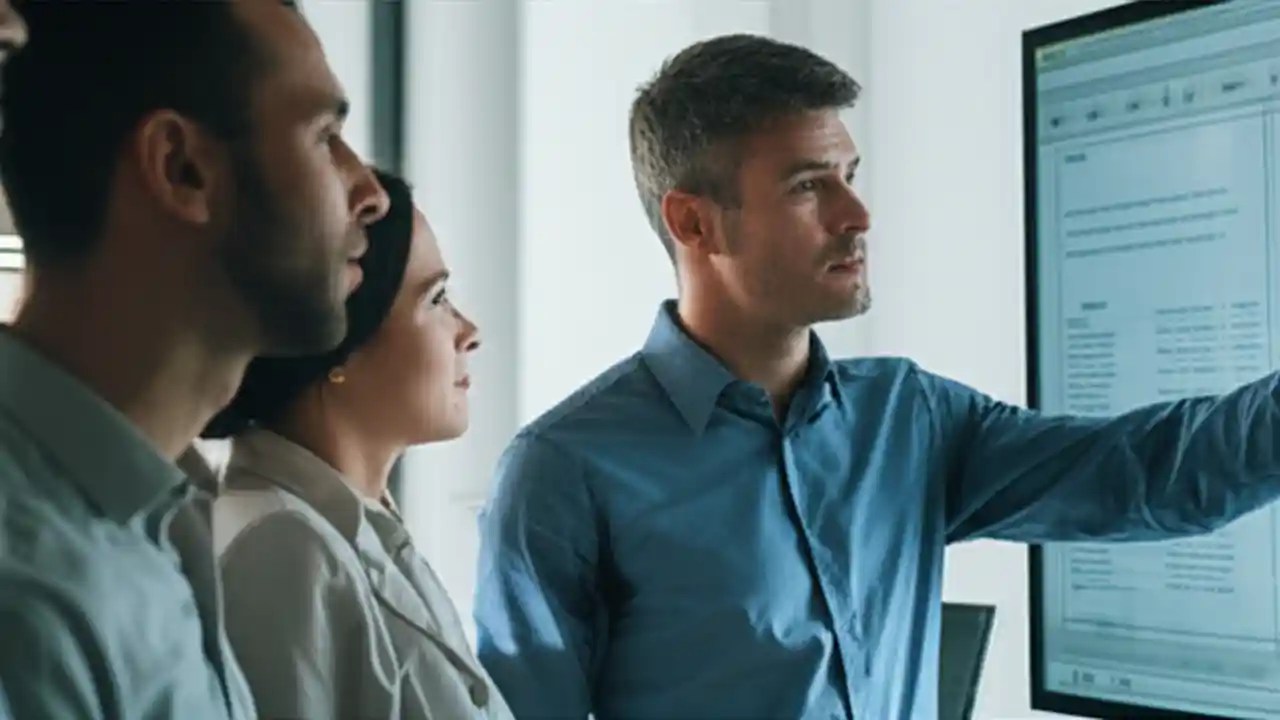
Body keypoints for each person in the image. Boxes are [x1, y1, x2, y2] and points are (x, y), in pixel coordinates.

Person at [474, 32, 1280, 720]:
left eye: (849, 176)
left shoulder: (909, 415)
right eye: (807, 186)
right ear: (694, 221)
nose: (856, 216)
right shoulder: (564, 470)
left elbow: (1152, 473)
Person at [0, 2, 388, 718]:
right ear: (182, 169)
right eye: (324, 137)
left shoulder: (161, 516)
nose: (371, 195)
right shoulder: (28, 594)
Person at [206, 169, 512, 720]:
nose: (470, 331)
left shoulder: (359, 530)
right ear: (339, 341)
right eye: (437, 298)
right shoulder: (280, 547)